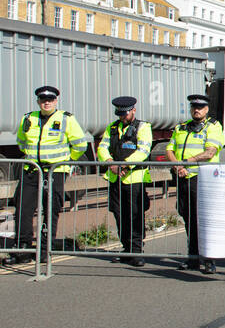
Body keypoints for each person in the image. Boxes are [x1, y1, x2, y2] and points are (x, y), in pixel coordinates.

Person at [13, 85, 88, 261]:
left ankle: (45, 247)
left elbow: (80, 145)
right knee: (23, 208)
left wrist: (66, 161)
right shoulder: (28, 118)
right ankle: (23, 247)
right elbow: (21, 142)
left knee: (51, 209)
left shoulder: (66, 119)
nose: (46, 103)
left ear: (55, 101)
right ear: (38, 101)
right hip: (31, 169)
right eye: (43, 100)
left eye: (50, 100)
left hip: (54, 171)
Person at [170, 93, 225, 274]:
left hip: (203, 180)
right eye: (194, 107)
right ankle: (193, 257)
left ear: (207, 109)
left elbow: (209, 152)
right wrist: (178, 165)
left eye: (200, 107)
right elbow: (170, 149)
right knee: (189, 219)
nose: (196, 110)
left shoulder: (213, 127)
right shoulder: (181, 127)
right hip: (183, 178)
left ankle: (209, 259)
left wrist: (186, 162)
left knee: (204, 221)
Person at [97, 96, 152, 266]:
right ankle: (126, 248)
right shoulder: (112, 128)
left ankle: (136, 251)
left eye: (125, 114)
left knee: (135, 215)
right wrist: (110, 163)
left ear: (133, 110)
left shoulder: (143, 127)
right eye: (120, 114)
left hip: (134, 179)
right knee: (119, 214)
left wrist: (125, 166)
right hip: (115, 178)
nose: (122, 117)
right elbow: (102, 147)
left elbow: (143, 150)